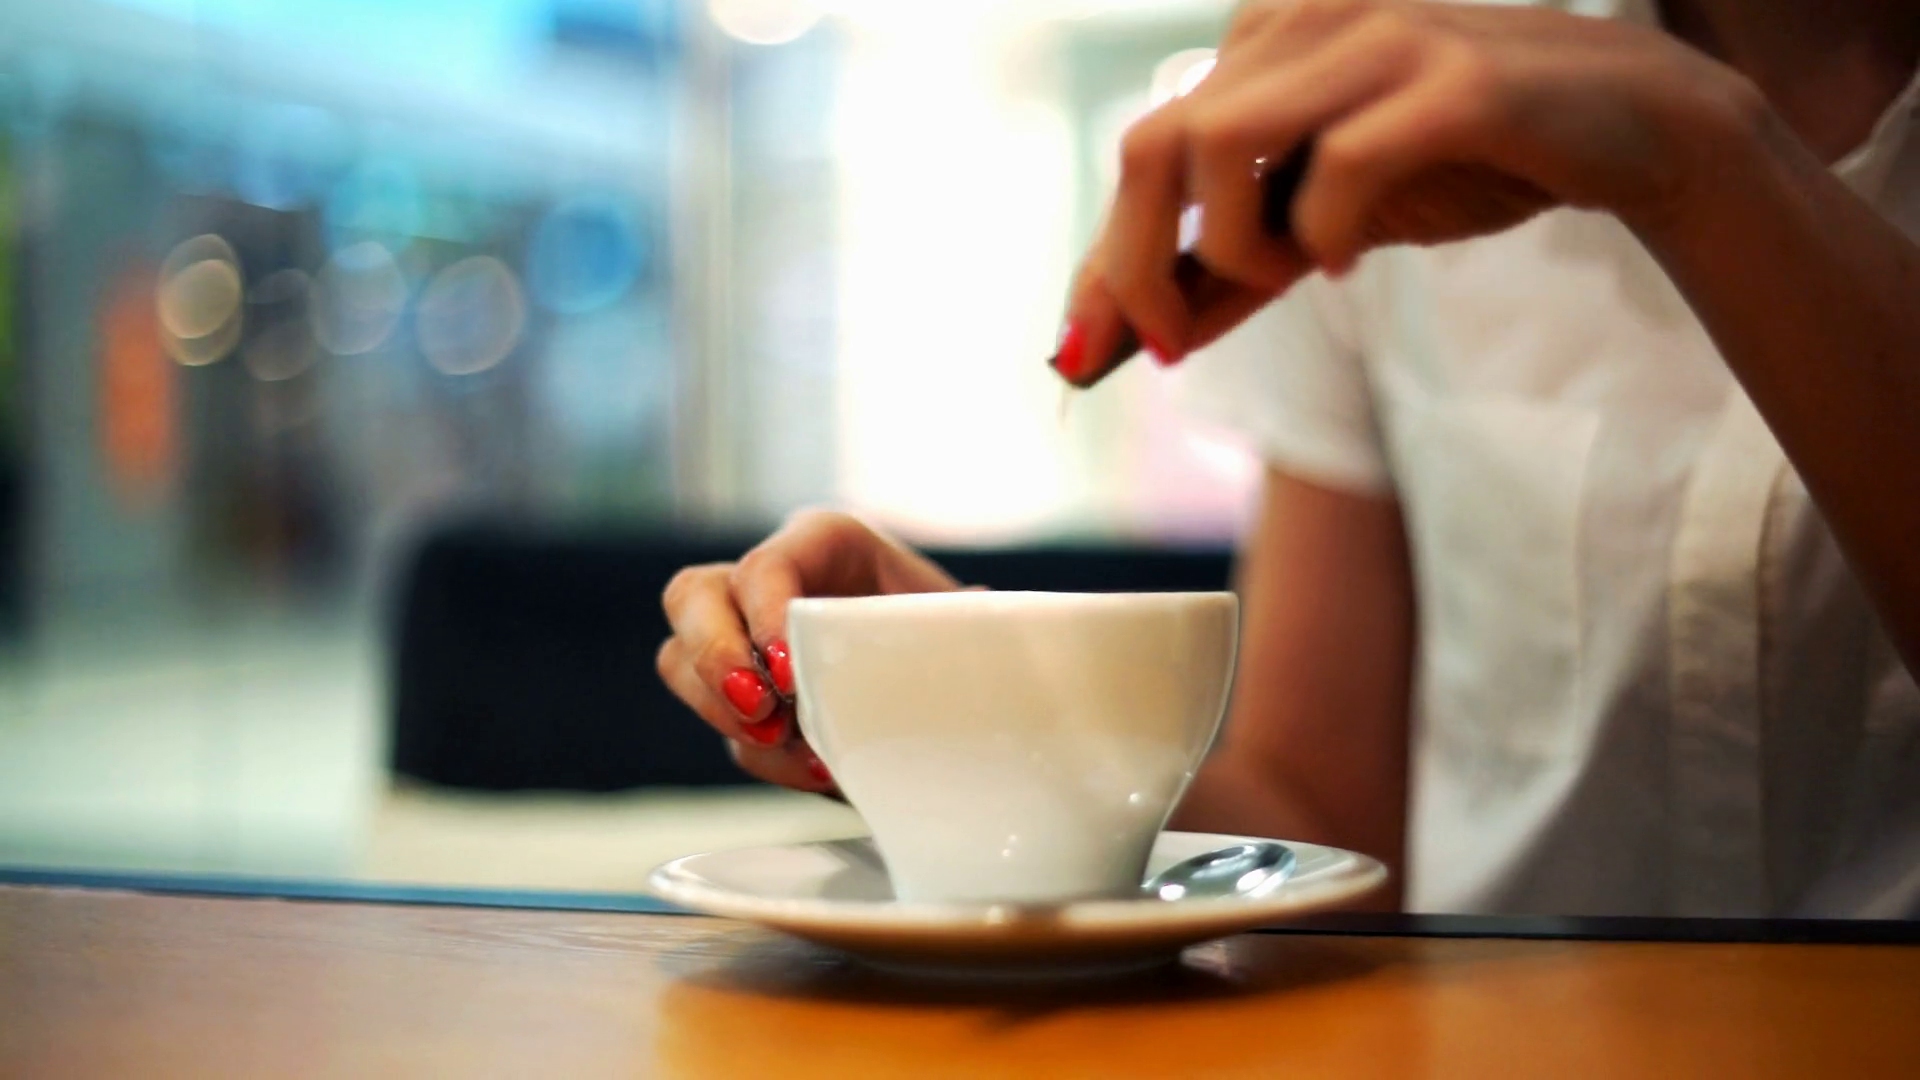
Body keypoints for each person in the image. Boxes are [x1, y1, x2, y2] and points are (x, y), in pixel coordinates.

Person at [657, 0, 1920, 919]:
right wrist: (964, 701)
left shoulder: (1449, 105)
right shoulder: (1393, 126)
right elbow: (1324, 824)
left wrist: (1704, 165)